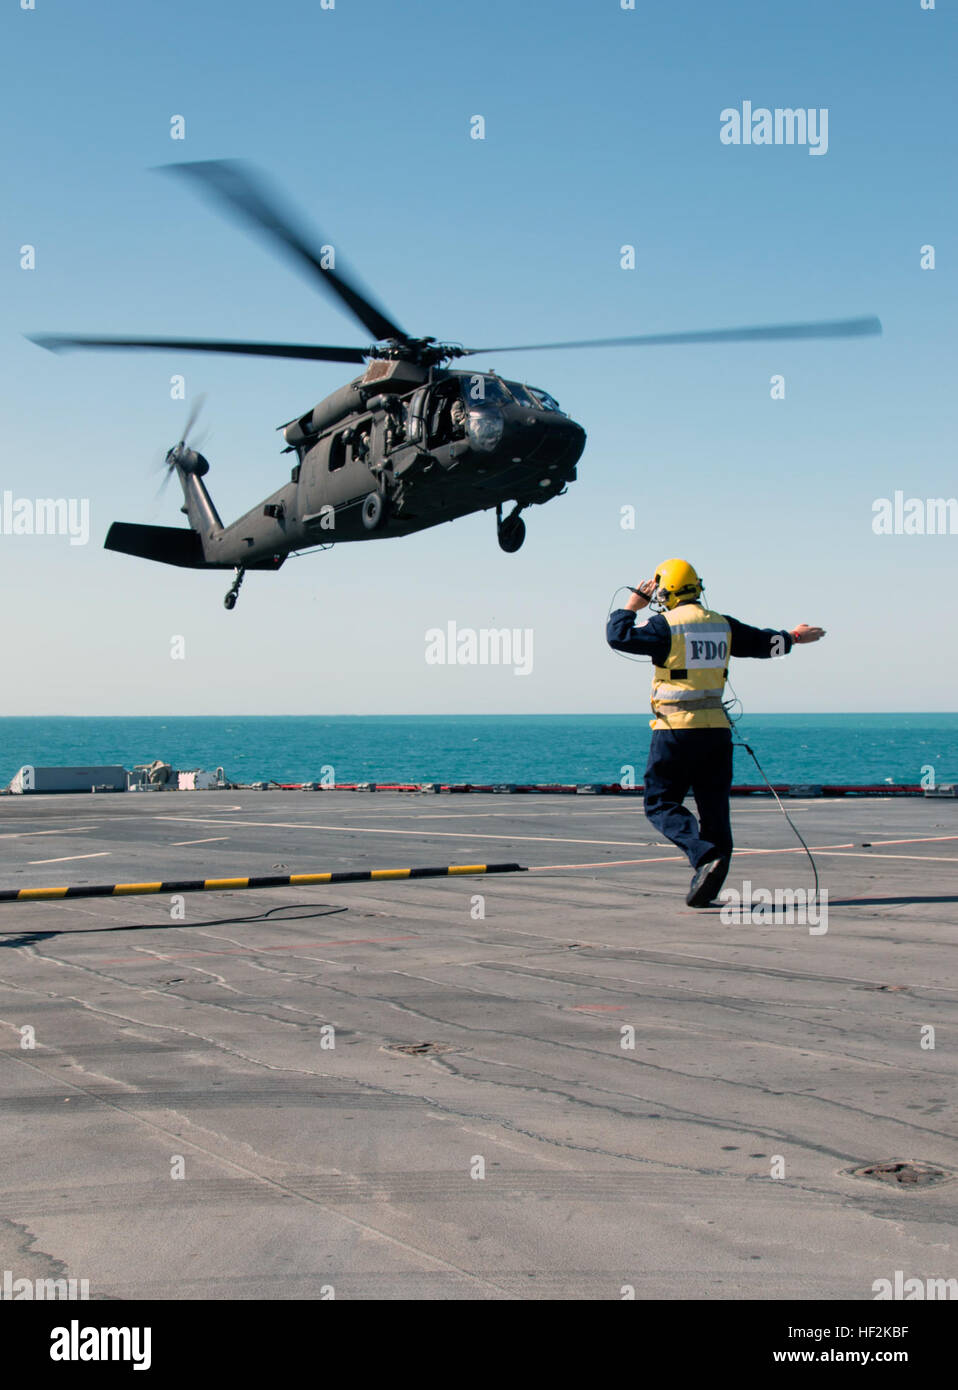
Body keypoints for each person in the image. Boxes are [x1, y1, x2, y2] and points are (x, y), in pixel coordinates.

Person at [606, 558, 824, 907]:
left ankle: (704, 856)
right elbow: (765, 644)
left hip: (675, 731)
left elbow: (618, 637)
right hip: (717, 734)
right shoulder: (722, 625)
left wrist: (631, 606)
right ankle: (708, 879)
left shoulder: (665, 626)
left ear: (665, 591)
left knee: (659, 802)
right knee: (715, 809)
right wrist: (795, 637)